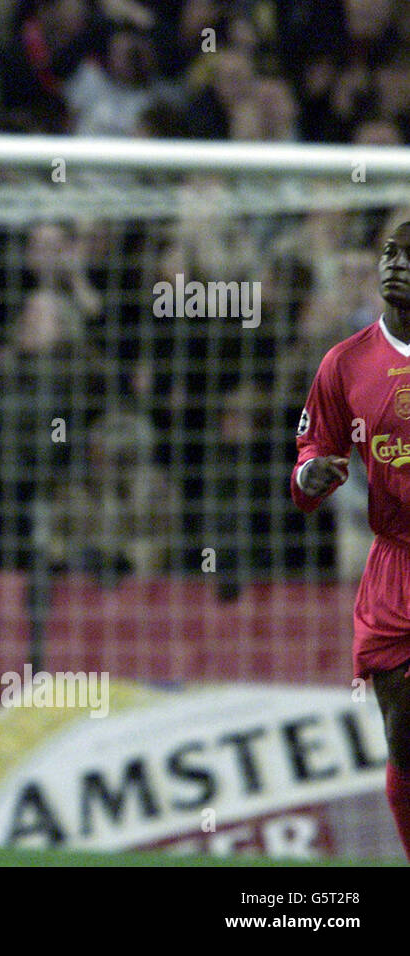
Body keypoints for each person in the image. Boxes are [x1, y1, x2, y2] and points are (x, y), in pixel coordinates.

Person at [291, 219, 410, 860]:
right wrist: (311, 472)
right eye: (391, 251)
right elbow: (308, 471)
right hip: (395, 568)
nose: (397, 263)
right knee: (406, 740)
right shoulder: (346, 363)